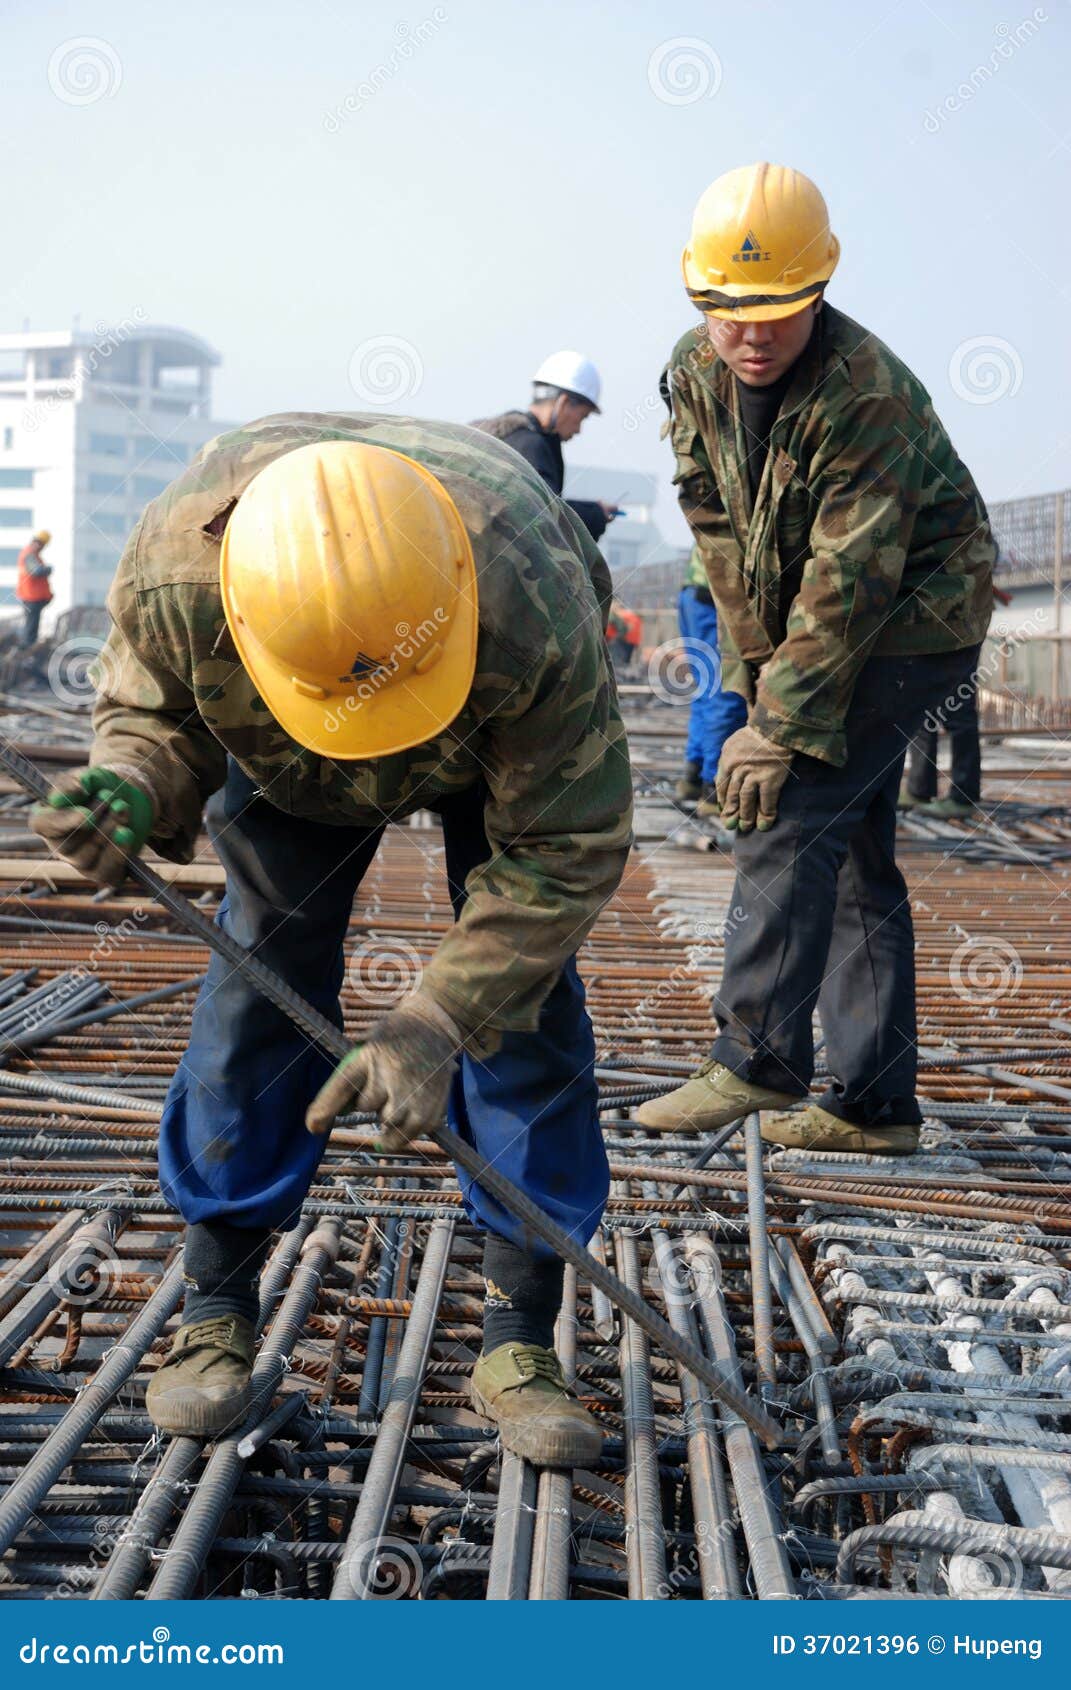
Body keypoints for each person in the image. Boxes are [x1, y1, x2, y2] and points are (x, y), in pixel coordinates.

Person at [32, 417, 632, 1462]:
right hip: (283, 744)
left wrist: (436, 1019)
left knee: (520, 1001)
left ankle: (519, 1332)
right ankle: (217, 1302)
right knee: (259, 975)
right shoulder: (180, 575)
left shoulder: (534, 605)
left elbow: (562, 851)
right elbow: (152, 714)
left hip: (482, 718)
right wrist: (132, 782)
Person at [636, 163, 995, 1156]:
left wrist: (778, 728)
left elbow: (849, 581)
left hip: (913, 617)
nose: (748, 335)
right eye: (725, 312)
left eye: (774, 312)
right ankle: (875, 1104)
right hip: (813, 606)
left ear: (820, 288)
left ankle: (757, 1055)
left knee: (789, 805)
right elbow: (718, 530)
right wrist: (753, 679)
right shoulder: (693, 370)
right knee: (850, 852)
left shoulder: (866, 393)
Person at [474, 351, 619, 542]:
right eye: (582, 417)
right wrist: (595, 515)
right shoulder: (532, 447)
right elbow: (546, 518)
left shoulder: (505, 435)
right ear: (564, 402)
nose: (579, 429)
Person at [901, 586, 1012, 818]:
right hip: (933, 619)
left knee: (958, 709)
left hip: (960, 619)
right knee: (922, 707)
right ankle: (919, 789)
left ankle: (964, 796)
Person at [675, 544, 747, 810]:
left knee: (706, 693)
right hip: (715, 595)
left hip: (696, 592)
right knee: (725, 692)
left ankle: (693, 777)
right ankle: (714, 789)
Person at [16, 530, 53, 647]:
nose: (42, 548)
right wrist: (48, 569)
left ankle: (28, 644)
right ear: (37, 542)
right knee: (31, 625)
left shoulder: (33, 555)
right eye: (42, 544)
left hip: (33, 596)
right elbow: (36, 571)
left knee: (32, 624)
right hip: (31, 596)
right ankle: (27, 646)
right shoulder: (29, 555)